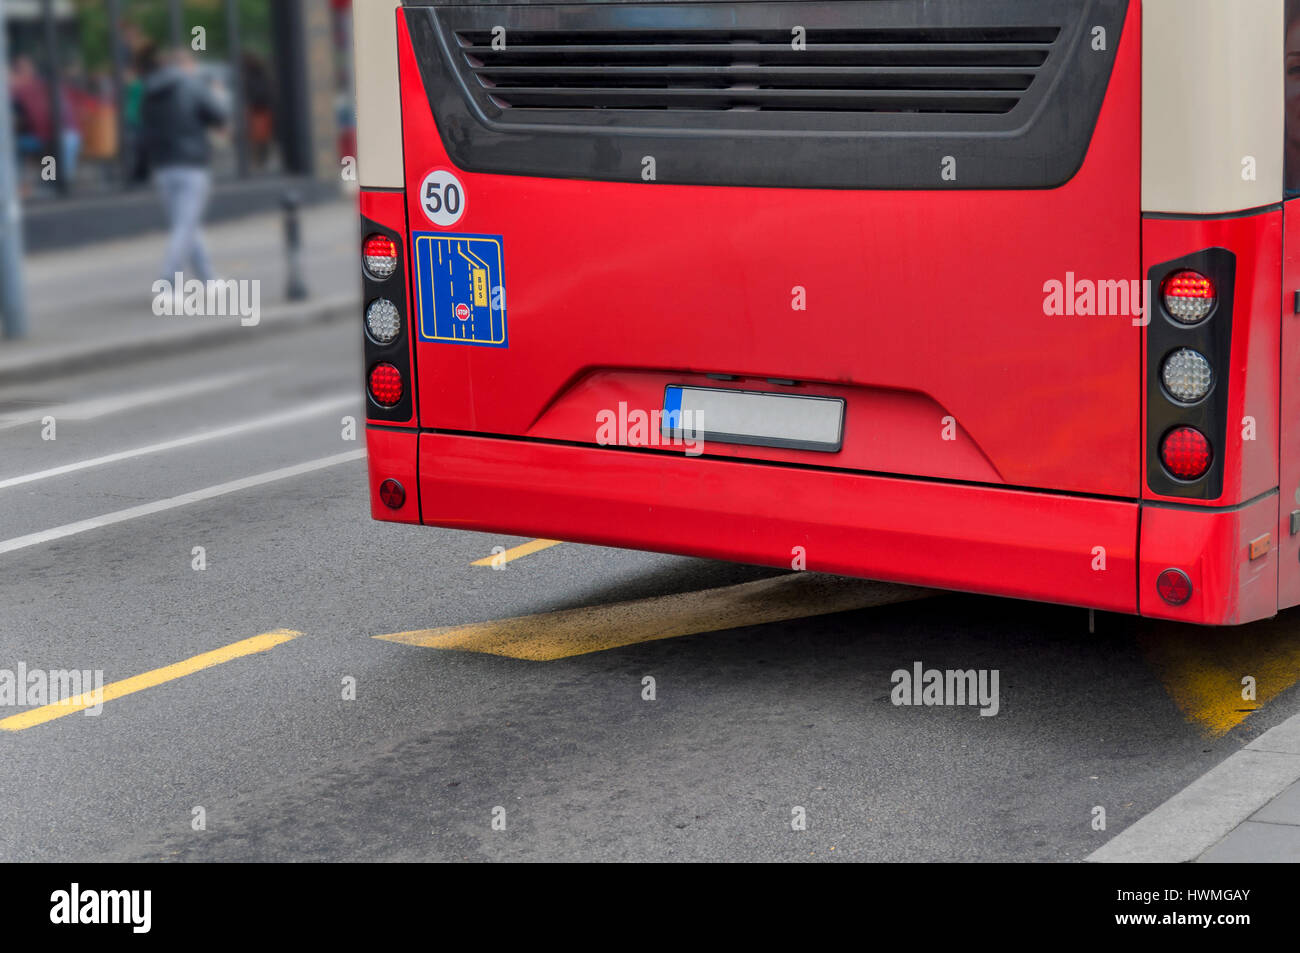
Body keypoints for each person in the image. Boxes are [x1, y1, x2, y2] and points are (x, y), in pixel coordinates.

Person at [139, 48, 228, 283]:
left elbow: (143, 129)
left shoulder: (149, 90)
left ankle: (207, 277)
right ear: (187, 65)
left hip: (163, 166)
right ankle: (168, 283)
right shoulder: (192, 86)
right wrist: (217, 95)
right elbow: (219, 115)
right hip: (191, 165)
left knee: (187, 225)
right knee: (185, 228)